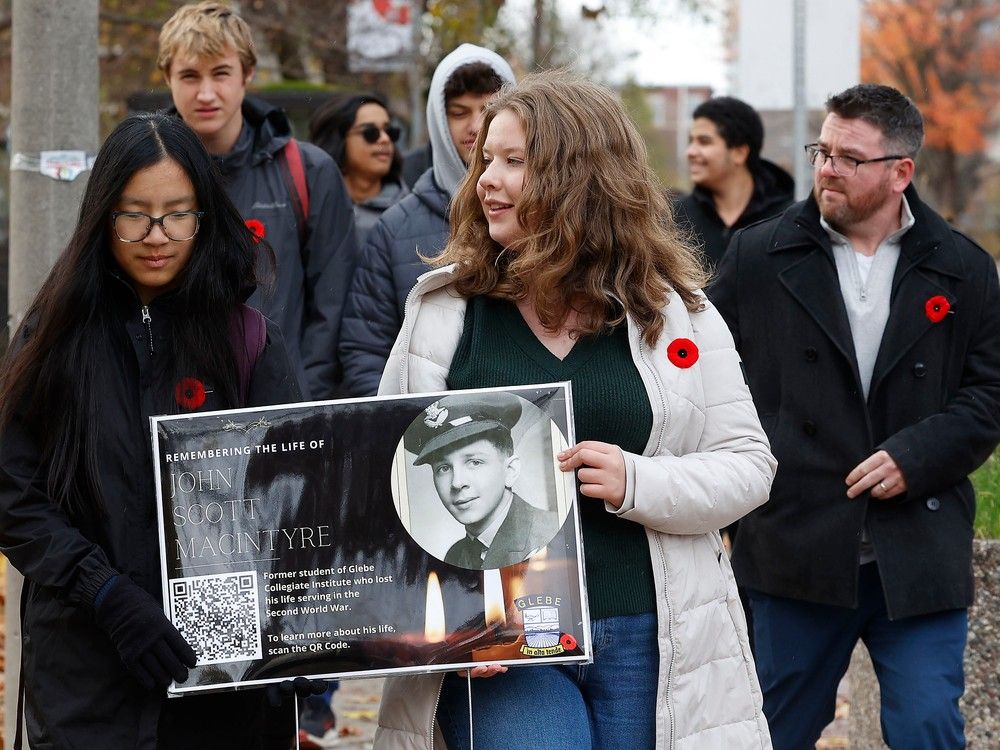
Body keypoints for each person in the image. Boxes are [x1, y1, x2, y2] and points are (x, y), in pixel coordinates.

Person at [373, 71, 776, 749]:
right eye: (484, 162)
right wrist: (456, 622)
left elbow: (749, 466)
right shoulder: (444, 312)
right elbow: (387, 489)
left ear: (581, 180)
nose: (485, 182)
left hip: (648, 632)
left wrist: (638, 482)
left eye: (514, 163)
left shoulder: (679, 314)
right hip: (499, 647)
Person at [710, 83, 1000, 749]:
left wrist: (917, 456)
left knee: (929, 725)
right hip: (795, 544)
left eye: (849, 157)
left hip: (917, 548)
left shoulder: (963, 269)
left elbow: (989, 394)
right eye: (822, 150)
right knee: (774, 731)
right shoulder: (760, 255)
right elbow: (698, 364)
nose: (827, 168)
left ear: (901, 172)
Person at [0, 113, 303, 748]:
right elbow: (13, 493)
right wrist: (104, 591)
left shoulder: (246, 341)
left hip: (222, 681)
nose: (156, 236)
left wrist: (307, 640)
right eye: (134, 214)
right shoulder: (53, 338)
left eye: (177, 214)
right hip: (84, 672)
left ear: (205, 215)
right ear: (101, 216)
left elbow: (296, 499)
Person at [158, 1, 358, 400]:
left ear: (247, 73)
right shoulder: (143, 179)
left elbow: (333, 311)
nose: (206, 92)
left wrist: (303, 408)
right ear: (167, 77)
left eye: (221, 73)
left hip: (285, 407)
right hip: (171, 412)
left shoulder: (309, 172)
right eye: (189, 75)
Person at [339, 44, 515, 397]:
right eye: (459, 112)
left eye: (488, 109)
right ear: (437, 119)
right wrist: (403, 427)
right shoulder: (394, 229)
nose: (476, 125)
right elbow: (366, 349)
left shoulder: (546, 219)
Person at [404, 392, 560, 569]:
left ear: (510, 470)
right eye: (444, 468)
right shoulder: (455, 554)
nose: (457, 483)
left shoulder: (553, 535)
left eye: (474, 462)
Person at [673, 96, 793, 267]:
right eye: (691, 141)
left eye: (704, 142)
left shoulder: (786, 220)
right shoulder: (675, 218)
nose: (690, 152)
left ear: (739, 153)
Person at [308, 92, 409, 245]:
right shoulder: (309, 210)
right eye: (370, 133)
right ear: (338, 140)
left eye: (390, 132)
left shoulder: (410, 212)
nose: (385, 139)